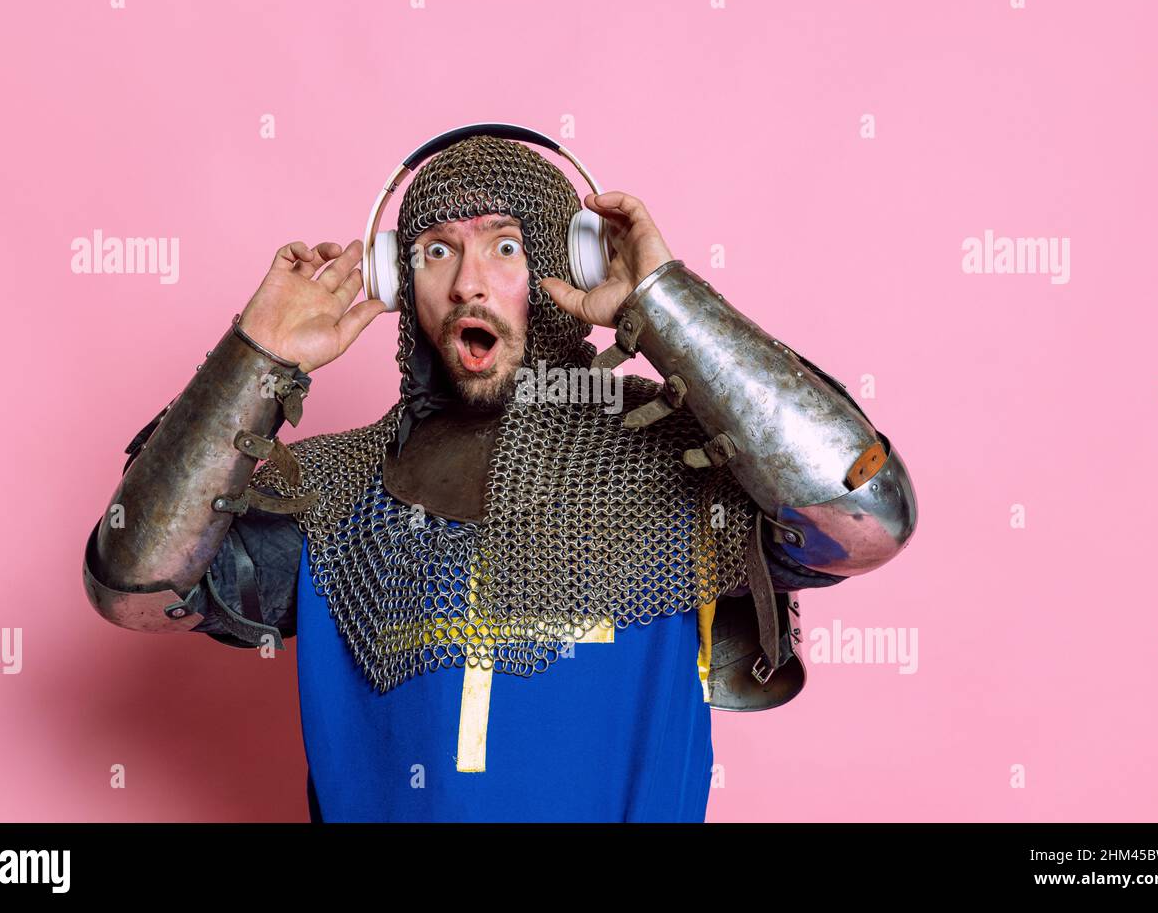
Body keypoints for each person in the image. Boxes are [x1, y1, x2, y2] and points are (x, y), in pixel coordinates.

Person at [81, 128, 918, 822]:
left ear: (570, 266)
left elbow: (867, 513)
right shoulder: (338, 492)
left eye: (505, 247)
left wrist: (665, 305)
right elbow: (135, 584)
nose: (468, 282)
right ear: (397, 282)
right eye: (436, 251)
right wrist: (255, 359)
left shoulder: (673, 450)